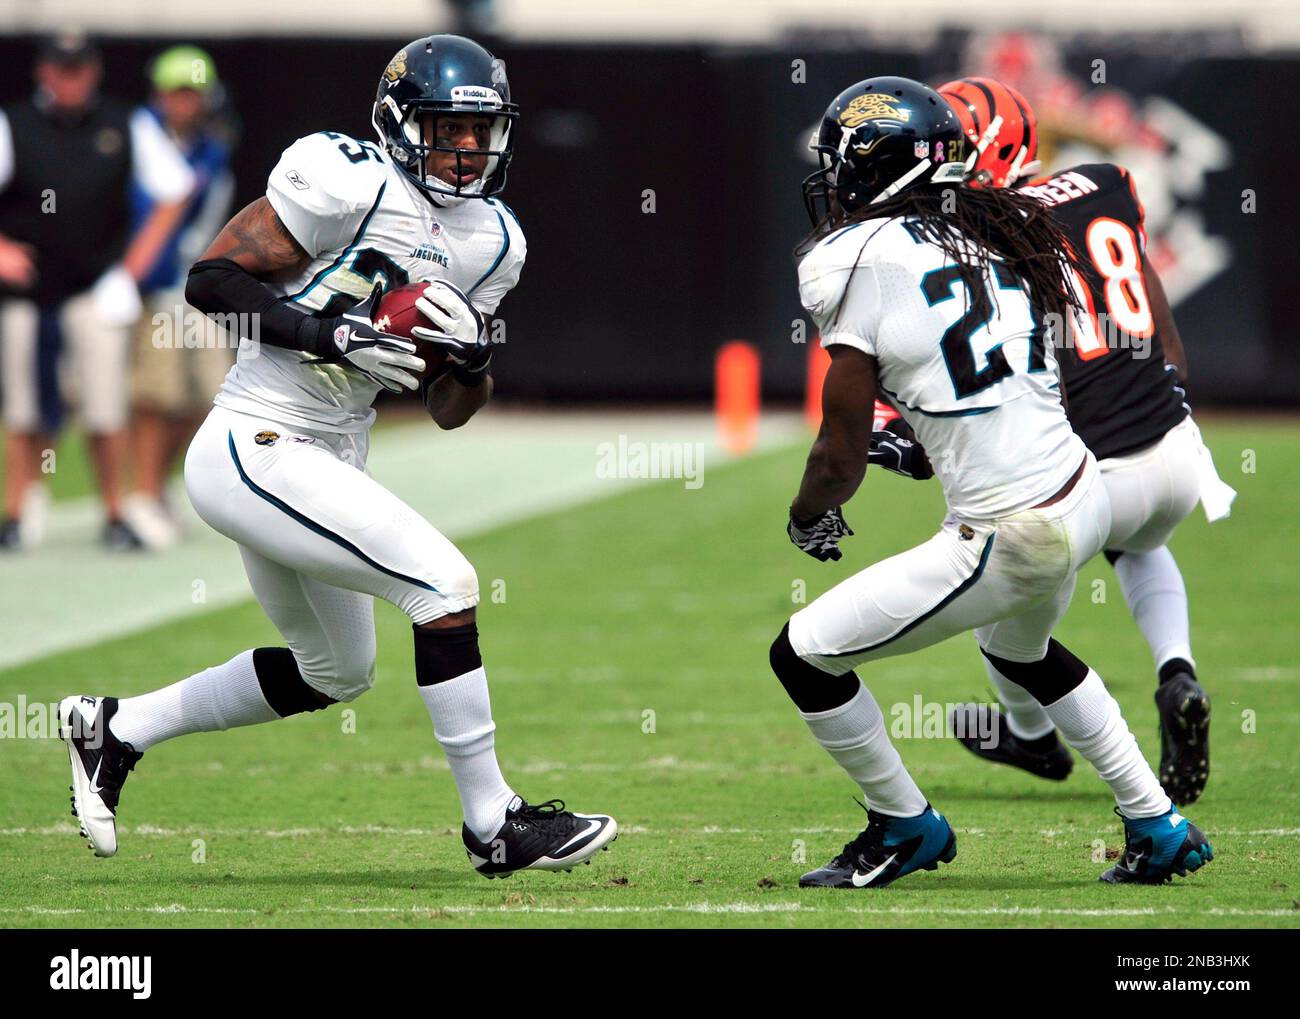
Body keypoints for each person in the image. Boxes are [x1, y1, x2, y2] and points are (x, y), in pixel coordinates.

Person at [58, 35, 617, 877]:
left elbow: (450, 410)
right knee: (445, 584)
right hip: (255, 437)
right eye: (445, 130)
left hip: (332, 453)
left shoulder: (496, 240)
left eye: (480, 133)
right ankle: (493, 823)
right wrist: (330, 332)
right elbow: (211, 280)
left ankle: (117, 728)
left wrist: (469, 364)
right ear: (399, 123)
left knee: (336, 671)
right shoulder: (347, 177)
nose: (466, 150)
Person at [771, 76, 1213, 888]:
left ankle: (905, 824)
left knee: (802, 655)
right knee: (1023, 650)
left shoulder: (854, 260)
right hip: (1081, 494)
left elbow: (837, 455)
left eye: (844, 167)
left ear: (878, 172)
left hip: (1011, 532)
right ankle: (1159, 823)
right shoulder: (997, 231)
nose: (832, 184)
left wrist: (808, 516)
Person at [931, 77, 1234, 805]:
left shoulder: (983, 236)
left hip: (1092, 474)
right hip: (1176, 450)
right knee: (1143, 544)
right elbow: (1159, 323)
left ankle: (1043, 742)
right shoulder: (1104, 182)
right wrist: (1166, 396)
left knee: (1006, 632)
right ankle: (1176, 670)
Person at [0, 31, 194, 549]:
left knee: (105, 407)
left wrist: (130, 271)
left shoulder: (123, 123)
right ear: (44, 72)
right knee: (23, 409)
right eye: (62, 69)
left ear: (94, 71)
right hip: (29, 292)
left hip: (95, 286)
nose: (71, 79)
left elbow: (174, 190)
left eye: (80, 69)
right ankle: (16, 512)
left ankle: (114, 512)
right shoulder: (14, 124)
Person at [125, 45, 236, 550]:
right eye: (176, 93)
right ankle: (142, 495)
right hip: (150, 289)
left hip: (198, 291)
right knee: (157, 397)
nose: (184, 103)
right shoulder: (135, 139)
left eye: (192, 94)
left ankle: (161, 486)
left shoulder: (213, 149)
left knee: (215, 396)